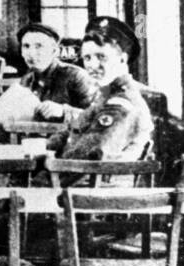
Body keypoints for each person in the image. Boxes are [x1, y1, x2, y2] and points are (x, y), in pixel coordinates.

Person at [47, 16, 153, 162]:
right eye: (87, 58)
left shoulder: (121, 102)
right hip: (79, 176)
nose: (93, 65)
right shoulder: (105, 96)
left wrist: (42, 173)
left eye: (101, 57)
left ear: (122, 59)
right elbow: (69, 133)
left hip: (95, 181)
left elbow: (91, 154)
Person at [16, 22, 97, 122]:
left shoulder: (76, 76)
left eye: (39, 46)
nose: (31, 53)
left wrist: (63, 112)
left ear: (54, 51)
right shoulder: (26, 80)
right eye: (26, 46)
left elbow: (96, 118)